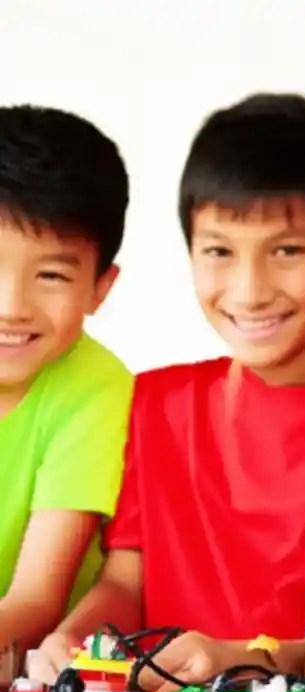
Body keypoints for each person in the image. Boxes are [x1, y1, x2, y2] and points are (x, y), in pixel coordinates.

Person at [30, 93, 305, 692]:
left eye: (286, 251)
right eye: (219, 252)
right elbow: (128, 581)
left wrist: (240, 654)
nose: (250, 290)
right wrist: (75, 639)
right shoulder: (155, 403)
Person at [0, 105, 133, 659]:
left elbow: (35, 602)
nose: (12, 307)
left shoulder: (95, 389)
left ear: (101, 287)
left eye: (51, 275)